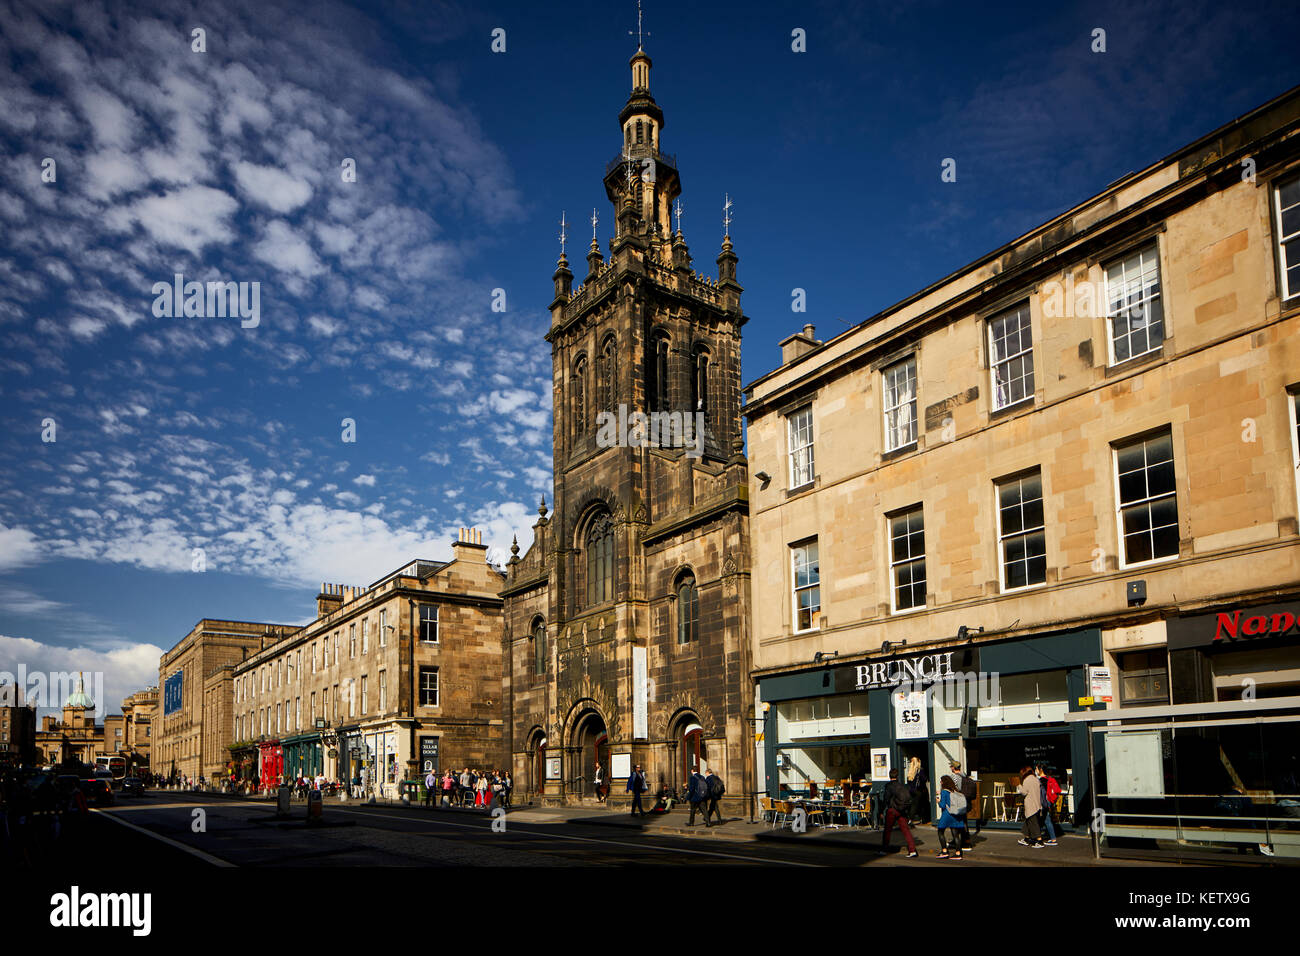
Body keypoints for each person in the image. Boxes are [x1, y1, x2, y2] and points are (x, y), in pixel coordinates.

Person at [879, 768, 918, 858]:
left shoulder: (889, 786)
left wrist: (881, 811)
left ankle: (884, 849)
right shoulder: (902, 786)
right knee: (906, 830)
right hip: (902, 810)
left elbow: (886, 799)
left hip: (892, 810)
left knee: (887, 830)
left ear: (889, 776)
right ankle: (912, 850)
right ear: (897, 776)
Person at [935, 775, 966, 859]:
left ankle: (944, 851)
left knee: (940, 831)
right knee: (955, 834)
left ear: (944, 782)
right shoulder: (954, 790)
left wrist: (938, 801)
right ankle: (958, 853)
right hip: (955, 814)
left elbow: (942, 805)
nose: (940, 782)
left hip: (947, 814)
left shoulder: (944, 791)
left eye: (941, 781)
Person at [948, 760, 975, 849]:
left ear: (953, 767)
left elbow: (955, 789)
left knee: (959, 822)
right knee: (963, 821)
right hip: (966, 802)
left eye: (951, 766)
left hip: (959, 803)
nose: (950, 768)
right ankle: (961, 840)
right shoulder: (964, 775)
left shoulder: (954, 777)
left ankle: (964, 843)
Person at [1017, 766, 1044, 847]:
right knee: (1028, 823)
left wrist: (1018, 785)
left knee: (1033, 823)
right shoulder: (1036, 779)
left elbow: (1024, 792)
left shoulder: (1026, 780)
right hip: (1037, 804)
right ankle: (1026, 838)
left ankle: (1039, 841)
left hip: (1030, 805)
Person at [1036, 766, 1060, 846]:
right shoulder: (1048, 779)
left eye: (1036, 769)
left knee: (1045, 820)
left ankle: (1052, 839)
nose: (1036, 770)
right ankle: (1050, 838)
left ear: (1041, 770)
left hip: (1044, 802)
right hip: (1049, 801)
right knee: (1045, 819)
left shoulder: (1041, 780)